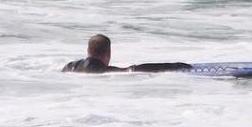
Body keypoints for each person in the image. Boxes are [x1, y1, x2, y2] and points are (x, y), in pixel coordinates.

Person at [61, 34, 193, 74]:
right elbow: (132, 70)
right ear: (108, 52)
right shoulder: (104, 71)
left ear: (88, 50)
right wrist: (176, 66)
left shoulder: (69, 67)